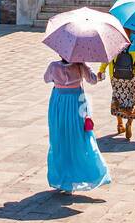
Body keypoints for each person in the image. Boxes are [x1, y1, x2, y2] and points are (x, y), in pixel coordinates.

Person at [43, 56, 111, 193]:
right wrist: (99, 75)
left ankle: (63, 178)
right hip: (76, 104)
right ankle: (85, 174)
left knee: (60, 138)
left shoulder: (53, 66)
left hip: (59, 103)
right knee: (79, 137)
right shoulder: (80, 66)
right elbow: (93, 80)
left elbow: (46, 79)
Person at [100, 30, 135, 140]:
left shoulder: (114, 39)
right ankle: (129, 124)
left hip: (116, 76)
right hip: (131, 75)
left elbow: (108, 57)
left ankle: (120, 125)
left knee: (117, 98)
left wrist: (102, 70)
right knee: (132, 99)